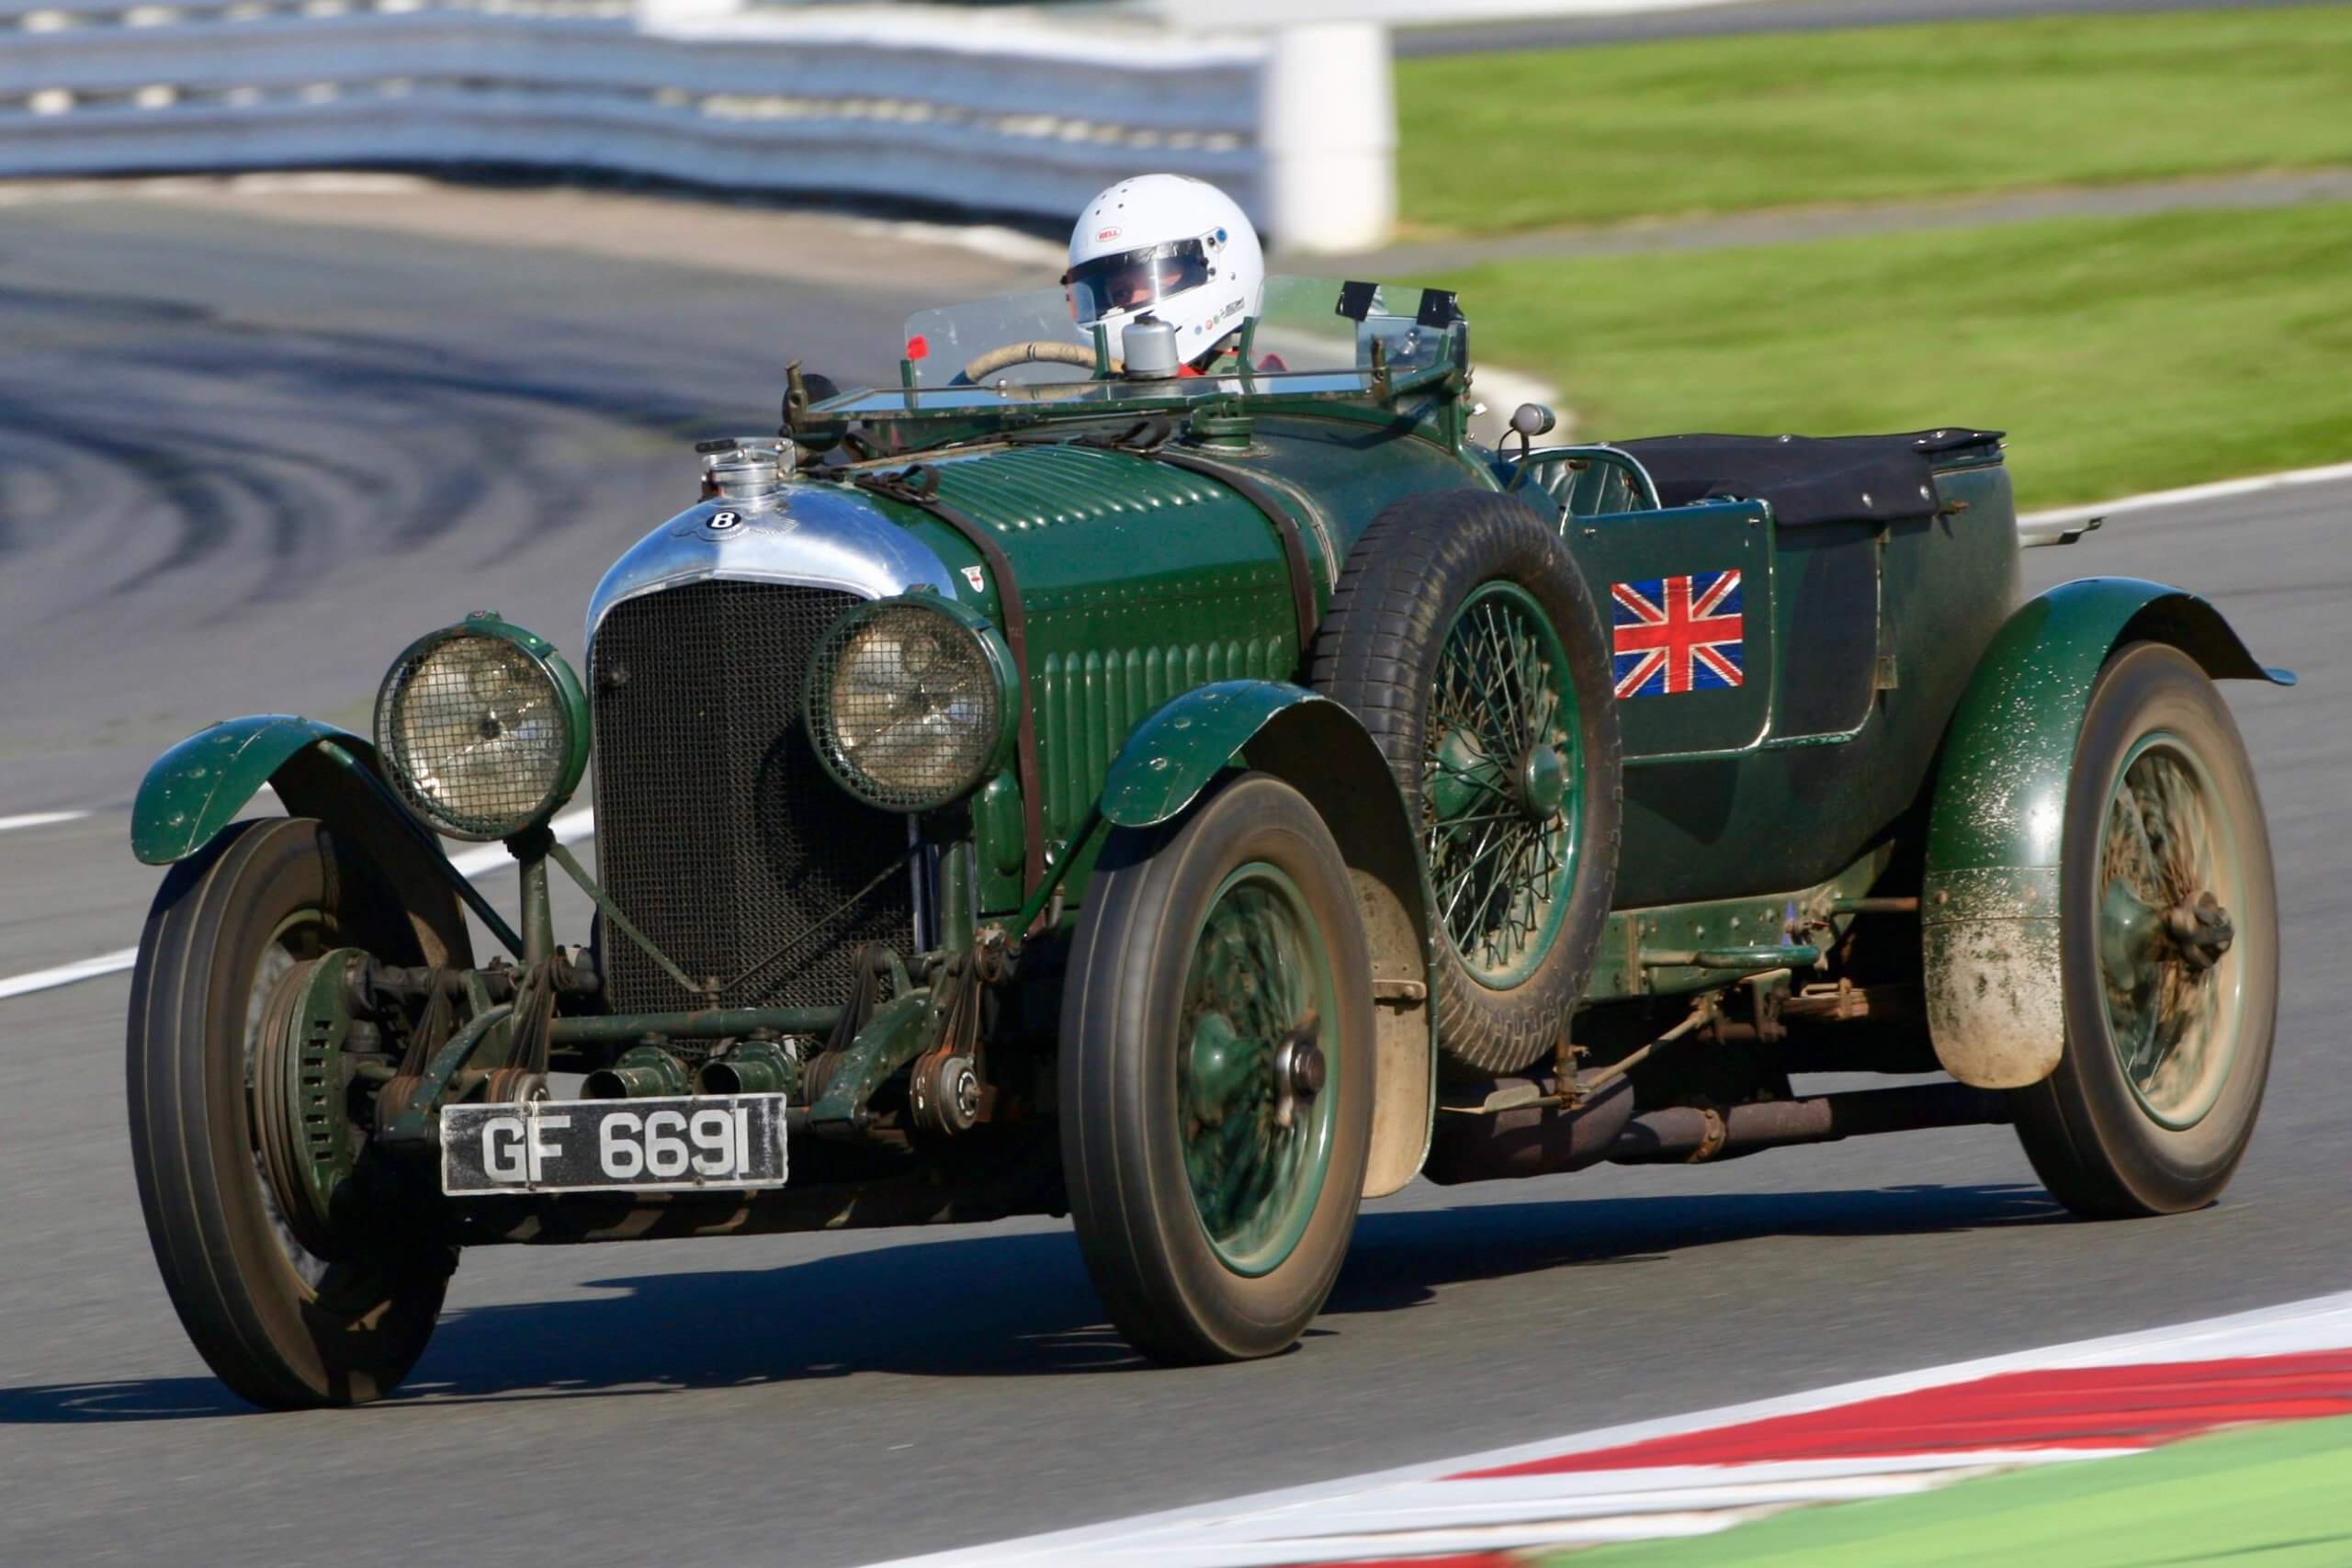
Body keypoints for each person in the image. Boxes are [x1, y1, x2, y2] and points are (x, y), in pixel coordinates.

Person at [1063, 175, 1270, 376]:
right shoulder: (1104, 401)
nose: (1134, 299)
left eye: (1154, 280)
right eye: (1121, 293)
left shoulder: (1265, 397)